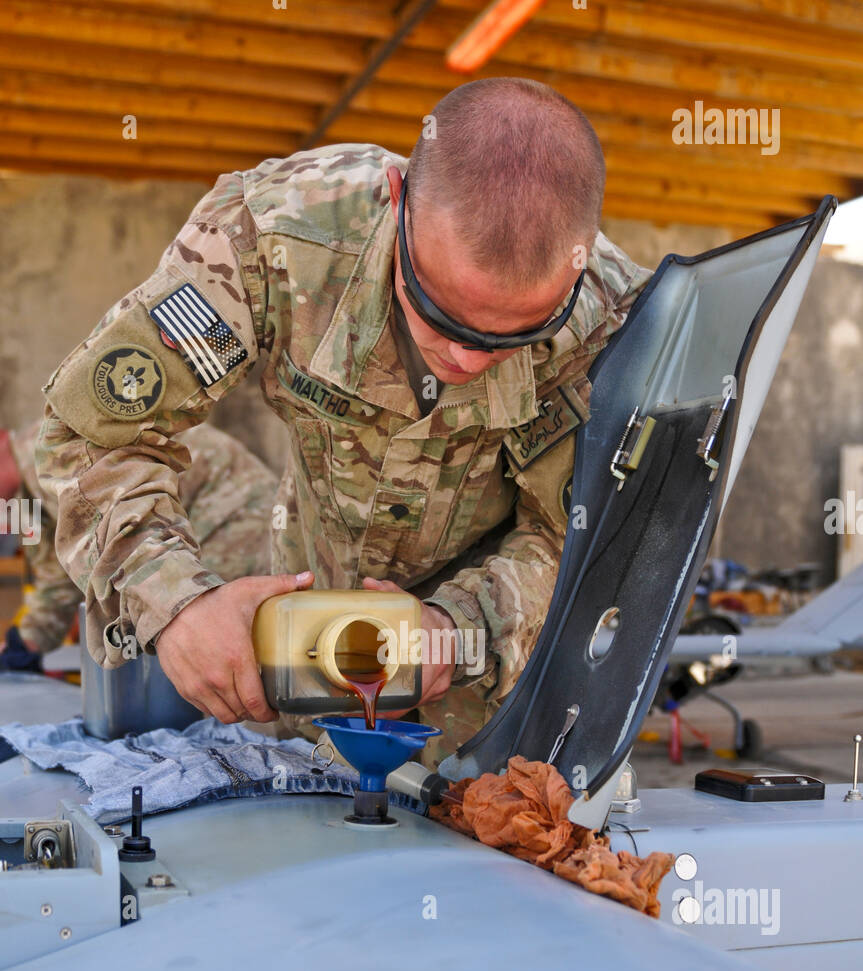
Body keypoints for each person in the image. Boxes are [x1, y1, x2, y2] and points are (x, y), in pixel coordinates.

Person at [35, 77, 651, 762]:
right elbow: (88, 433)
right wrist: (174, 601)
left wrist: (463, 627)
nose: (467, 359)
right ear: (397, 201)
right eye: (439, 313)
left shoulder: (619, 323)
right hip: (299, 656)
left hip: (496, 699)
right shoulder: (275, 236)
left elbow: (591, 536)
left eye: (513, 336)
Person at [1, 421, 275, 665]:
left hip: (232, 509)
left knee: (205, 633)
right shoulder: (26, 497)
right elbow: (58, 577)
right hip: (192, 520)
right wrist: (23, 643)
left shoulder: (51, 455)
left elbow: (120, 551)